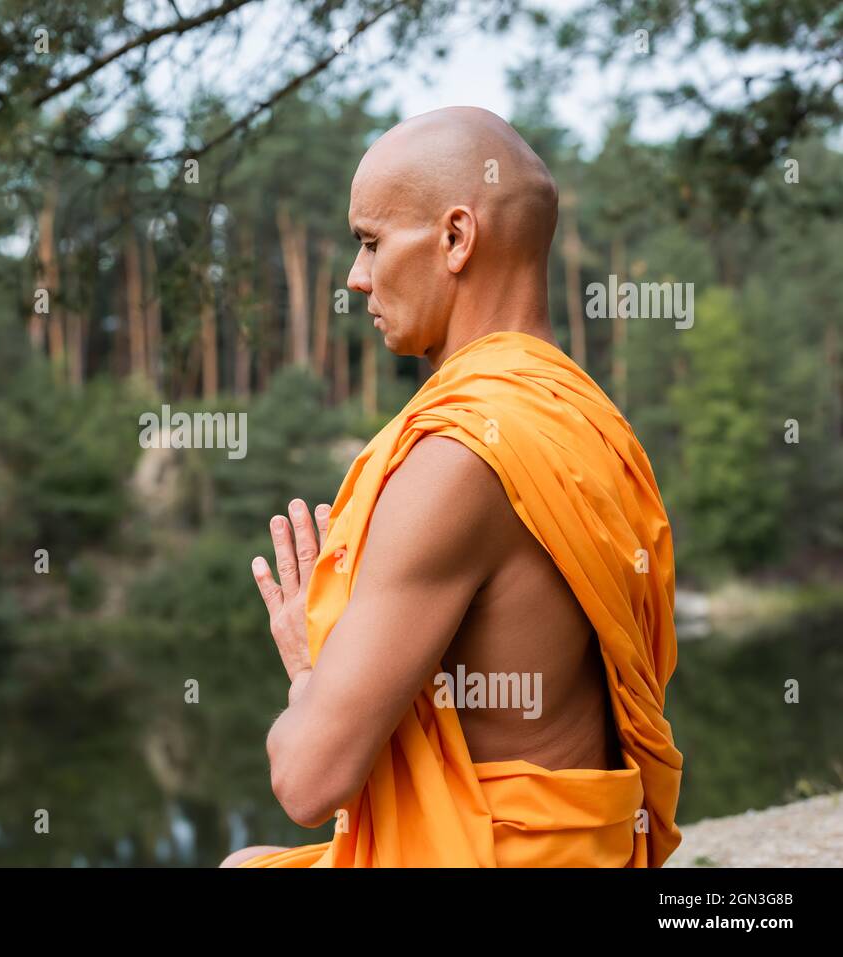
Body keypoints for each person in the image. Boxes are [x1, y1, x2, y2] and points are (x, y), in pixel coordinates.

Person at [222, 107, 683, 868]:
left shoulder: (458, 458)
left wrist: (310, 671)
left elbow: (308, 782)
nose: (355, 275)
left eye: (371, 241)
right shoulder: (593, 422)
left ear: (455, 238)